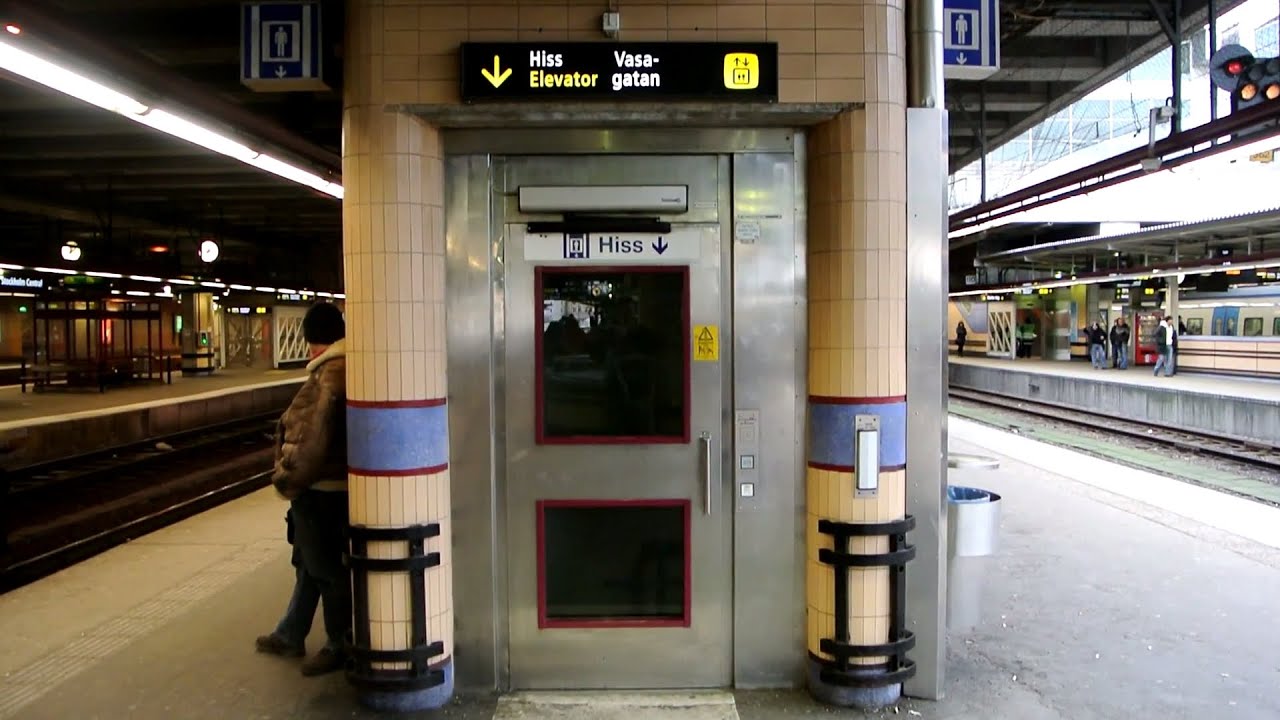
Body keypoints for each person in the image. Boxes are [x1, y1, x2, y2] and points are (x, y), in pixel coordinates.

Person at [256, 302, 350, 676]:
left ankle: (339, 643)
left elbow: (307, 442)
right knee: (309, 564)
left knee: (326, 568)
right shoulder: (345, 368)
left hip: (321, 489)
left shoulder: (328, 376)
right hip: (337, 485)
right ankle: (290, 631)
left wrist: (286, 482)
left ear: (315, 342)